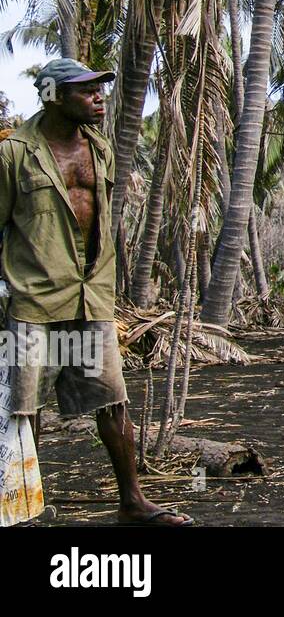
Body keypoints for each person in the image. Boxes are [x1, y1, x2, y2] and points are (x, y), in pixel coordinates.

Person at [0, 59, 192, 525]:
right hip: (34, 300)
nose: (98, 97)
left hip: (91, 297)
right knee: (24, 410)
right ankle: (22, 511)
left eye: (100, 88)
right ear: (53, 96)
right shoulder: (14, 154)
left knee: (111, 401)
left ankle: (132, 503)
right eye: (86, 91)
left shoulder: (99, 148)